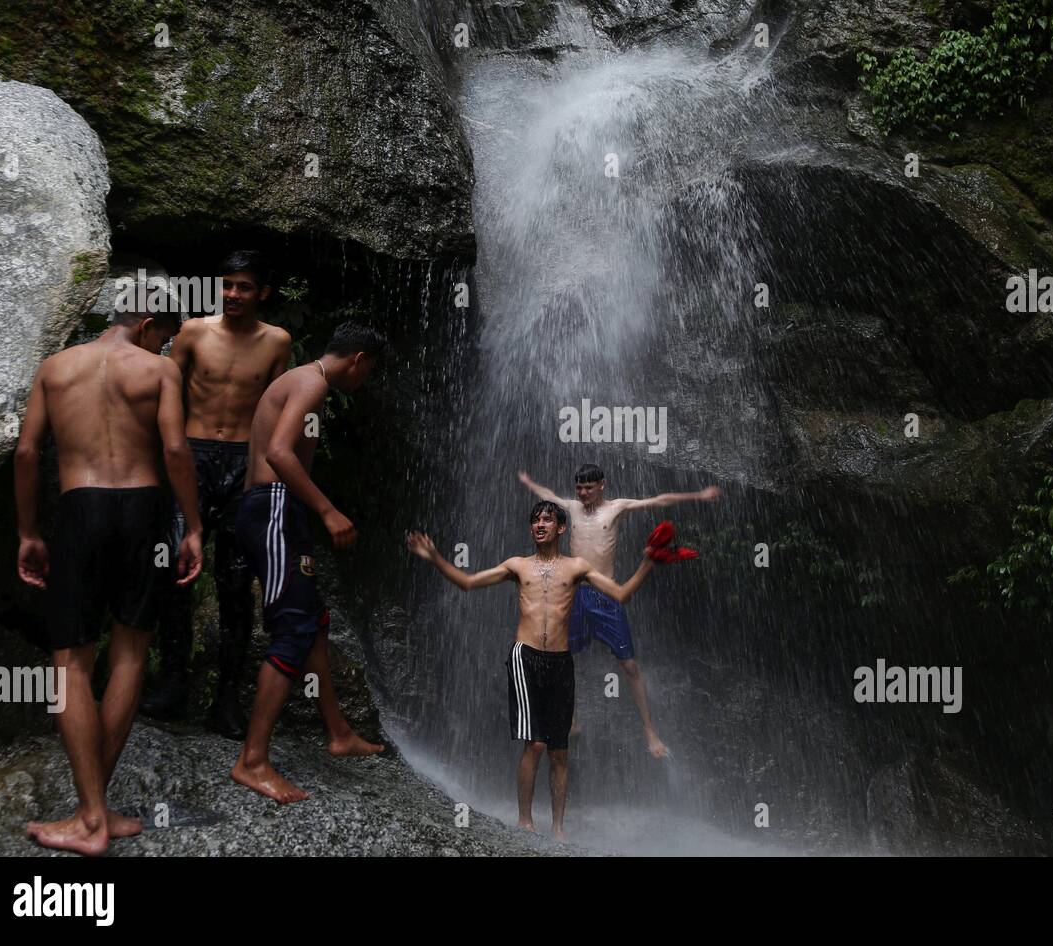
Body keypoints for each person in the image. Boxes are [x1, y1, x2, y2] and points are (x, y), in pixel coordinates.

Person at [14, 305, 203, 855]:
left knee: (71, 660)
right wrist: (193, 528)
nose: (163, 348)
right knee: (130, 651)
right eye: (163, 337)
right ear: (146, 326)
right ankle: (97, 812)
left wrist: (28, 532)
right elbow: (175, 450)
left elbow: (26, 452)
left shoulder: (55, 367)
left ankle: (91, 816)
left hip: (81, 508)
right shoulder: (159, 371)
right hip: (142, 509)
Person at [406, 501, 657, 841]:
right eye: (535, 520)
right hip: (525, 657)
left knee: (559, 750)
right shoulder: (517, 565)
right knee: (535, 744)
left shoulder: (577, 567)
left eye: (547, 519)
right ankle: (525, 821)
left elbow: (621, 594)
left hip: (561, 662)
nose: (540, 524)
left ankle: (558, 829)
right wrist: (434, 557)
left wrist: (647, 562)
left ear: (561, 528)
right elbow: (468, 582)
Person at [230, 322, 386, 804]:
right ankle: (252, 760)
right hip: (274, 507)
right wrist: (327, 510)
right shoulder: (312, 384)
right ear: (358, 359)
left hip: (276, 510)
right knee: (294, 628)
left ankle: (338, 732)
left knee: (314, 621)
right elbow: (278, 453)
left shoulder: (301, 378)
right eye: (368, 371)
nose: (364, 381)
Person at [142, 249, 292, 739]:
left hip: (245, 462)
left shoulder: (277, 341)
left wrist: (263, 473)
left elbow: (274, 408)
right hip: (193, 457)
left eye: (244, 287)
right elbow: (167, 392)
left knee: (235, 580)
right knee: (174, 570)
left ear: (263, 293)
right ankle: (173, 683)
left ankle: (227, 698)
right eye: (227, 284)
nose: (232, 294)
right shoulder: (192, 333)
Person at [517, 464, 720, 757]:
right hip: (575, 594)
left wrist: (698, 495)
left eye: (588, 488)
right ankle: (571, 720)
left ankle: (650, 730)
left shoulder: (616, 508)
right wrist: (528, 481)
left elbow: (658, 500)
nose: (582, 493)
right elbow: (547, 494)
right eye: (579, 488)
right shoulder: (571, 509)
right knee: (561, 657)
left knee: (630, 666)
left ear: (602, 485)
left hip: (606, 596)